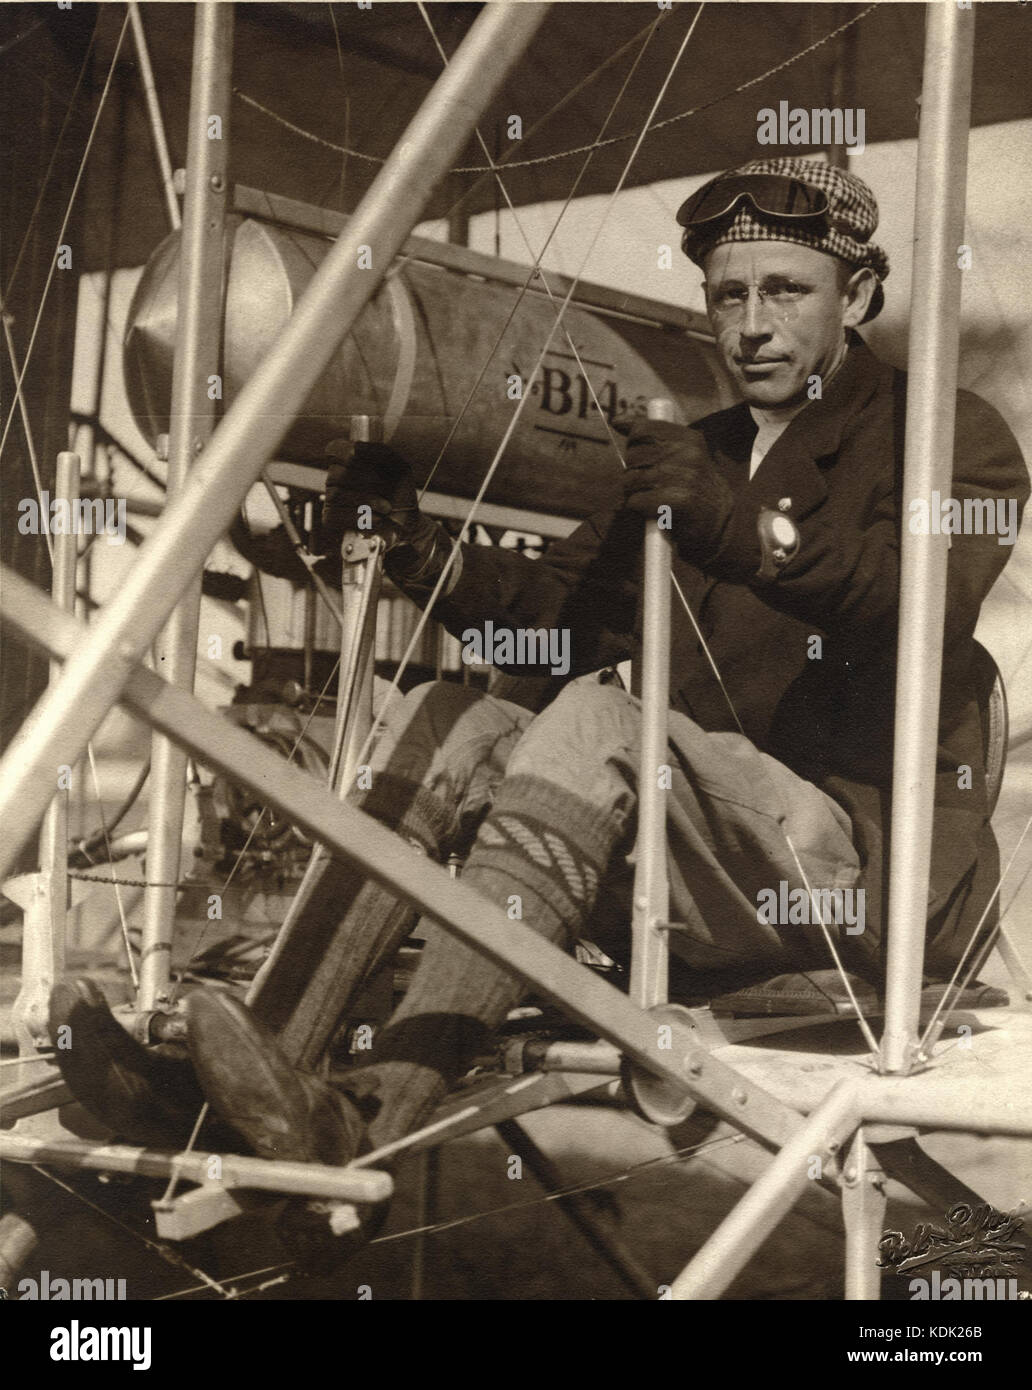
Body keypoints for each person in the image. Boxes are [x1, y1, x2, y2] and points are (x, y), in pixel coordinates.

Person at [51, 156, 1028, 1250]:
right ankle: (247, 1076)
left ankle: (372, 1117)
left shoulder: (952, 436)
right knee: (449, 715)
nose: (751, 323)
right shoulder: (696, 455)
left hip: (846, 879)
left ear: (859, 296)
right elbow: (561, 628)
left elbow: (916, 597)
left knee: (600, 723)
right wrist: (428, 553)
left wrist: (748, 532)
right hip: (692, 855)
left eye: (788, 290)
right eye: (728, 293)